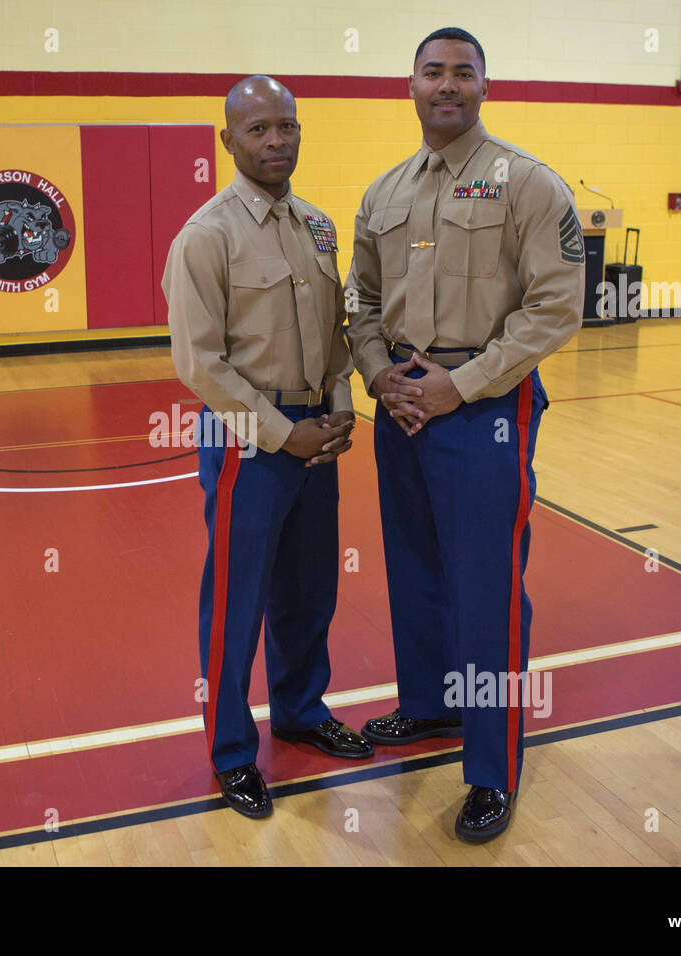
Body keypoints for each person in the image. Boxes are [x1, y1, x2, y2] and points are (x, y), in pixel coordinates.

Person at [344, 27, 583, 841]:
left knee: (486, 595)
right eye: (432, 72)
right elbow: (362, 304)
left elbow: (555, 309)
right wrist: (380, 375)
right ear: (409, 85)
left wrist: (463, 385)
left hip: (485, 407)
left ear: (485, 86)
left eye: (462, 73)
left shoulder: (529, 184)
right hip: (403, 403)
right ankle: (432, 710)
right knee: (414, 573)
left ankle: (492, 768)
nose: (446, 84)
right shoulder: (382, 192)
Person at [162, 75, 374, 820]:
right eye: (258, 130)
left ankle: (301, 711)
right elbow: (201, 364)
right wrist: (287, 432)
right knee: (236, 603)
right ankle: (230, 753)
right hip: (252, 445)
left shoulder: (318, 225)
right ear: (228, 140)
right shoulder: (206, 236)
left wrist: (341, 409)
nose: (276, 141)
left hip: (318, 436)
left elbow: (339, 334)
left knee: (310, 592)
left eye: (287, 127)